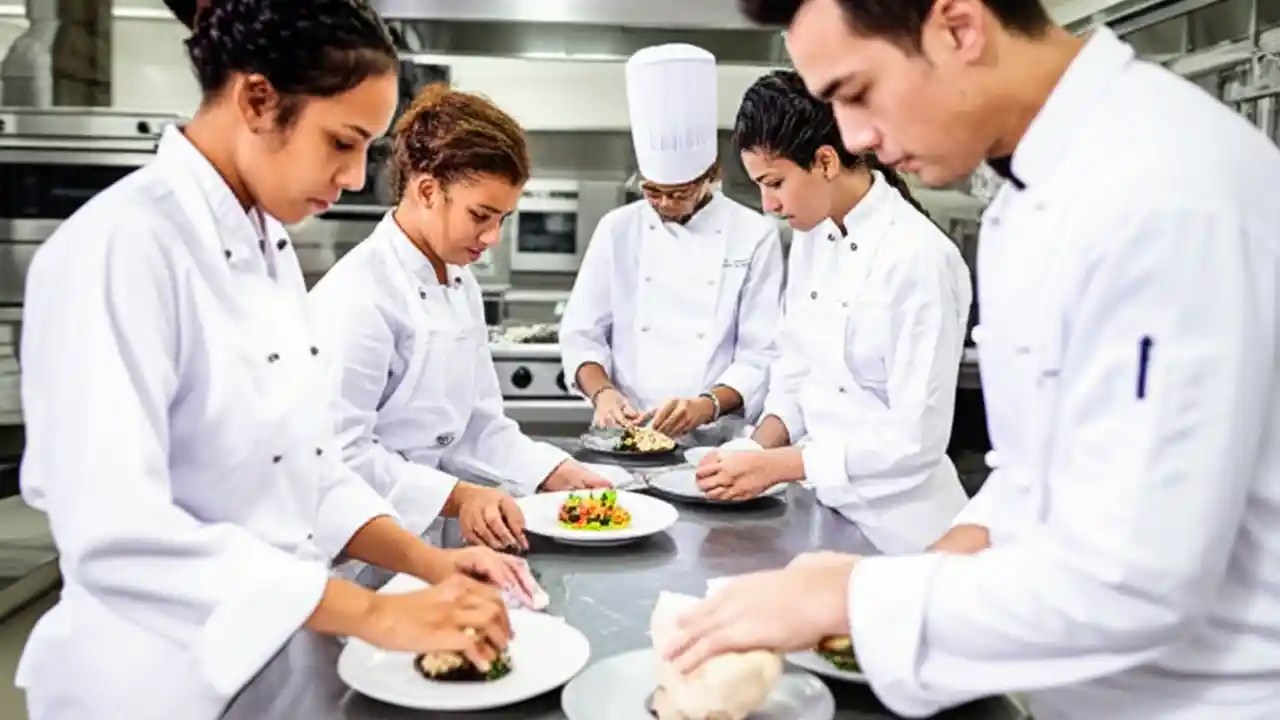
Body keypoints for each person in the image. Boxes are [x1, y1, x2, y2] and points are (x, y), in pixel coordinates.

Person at [666, 0, 1280, 717]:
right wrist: (917, 573)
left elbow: (1136, 580)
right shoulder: (1028, 200)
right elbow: (1033, 477)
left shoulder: (1162, 190)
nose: (855, 136)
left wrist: (852, 596)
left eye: (857, 93)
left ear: (958, 28)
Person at [14, 2, 537, 717]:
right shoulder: (120, 248)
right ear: (259, 100)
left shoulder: (270, 252)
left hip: (271, 655)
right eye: (342, 142)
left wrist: (430, 564)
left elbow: (311, 466)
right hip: (155, 683)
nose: (355, 178)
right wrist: (373, 615)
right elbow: (117, 532)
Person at [310, 84, 612, 553]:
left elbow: (476, 423)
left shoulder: (458, 281)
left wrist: (550, 470)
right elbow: (338, 455)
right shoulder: (358, 296)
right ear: (428, 190)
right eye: (481, 215)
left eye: (503, 219)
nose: (492, 237)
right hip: (358, 550)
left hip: (432, 536)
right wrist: (457, 496)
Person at [693, 69, 970, 553]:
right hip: (828, 514)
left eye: (774, 182)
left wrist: (780, 466)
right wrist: (756, 448)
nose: (769, 205)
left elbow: (916, 441)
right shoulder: (814, 238)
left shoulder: (918, 257)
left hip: (906, 536)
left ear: (824, 162)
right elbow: (798, 370)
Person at [559, 43, 784, 445]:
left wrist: (706, 405)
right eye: (652, 191)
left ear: (709, 177)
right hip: (625, 434)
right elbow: (581, 334)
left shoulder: (754, 234)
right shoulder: (618, 229)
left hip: (715, 442)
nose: (663, 204)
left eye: (678, 193)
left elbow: (761, 353)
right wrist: (603, 392)